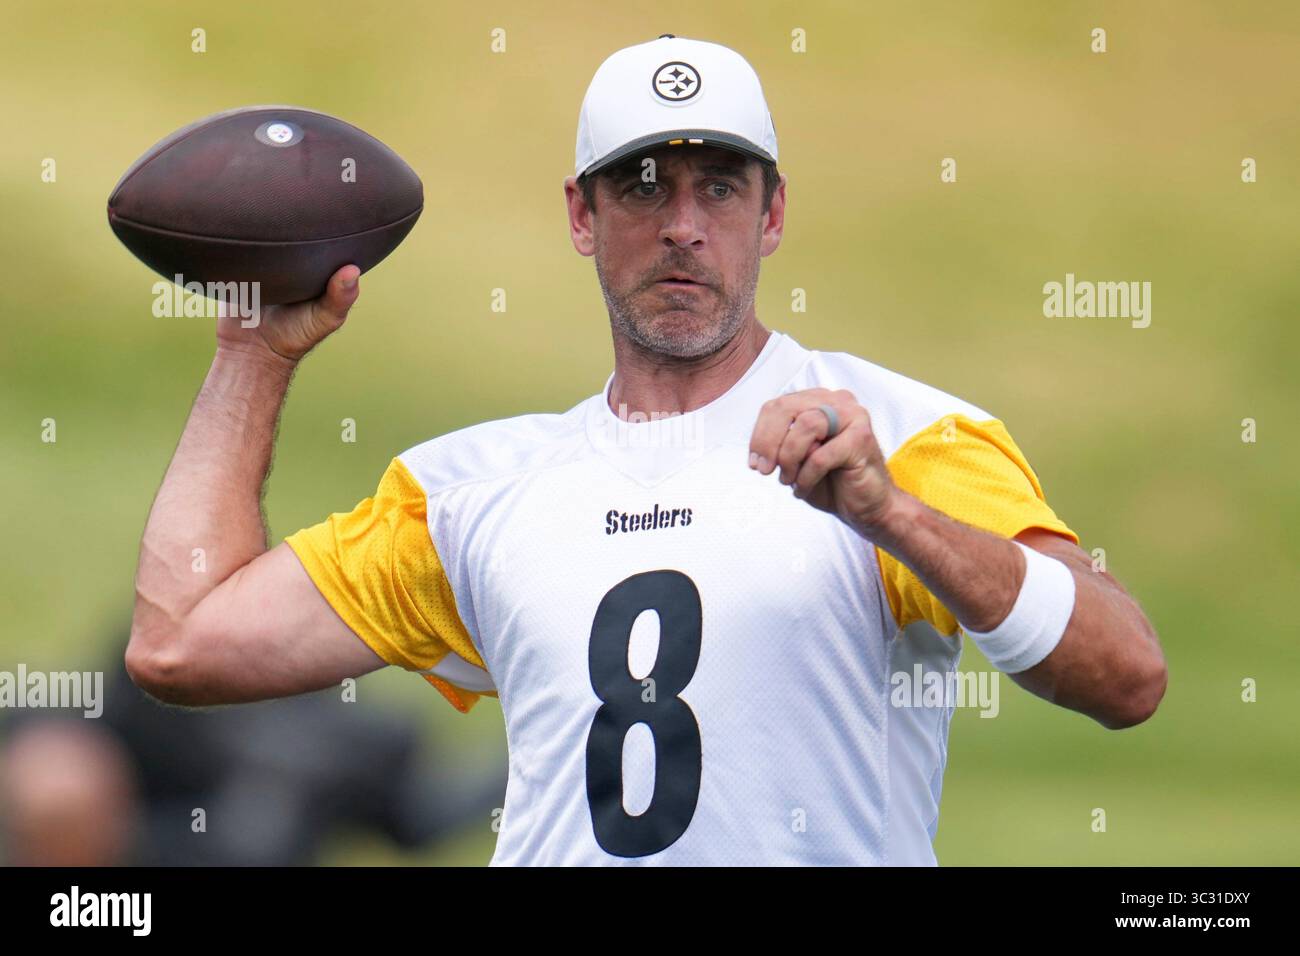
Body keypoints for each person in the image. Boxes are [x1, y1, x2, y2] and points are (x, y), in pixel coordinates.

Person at [125, 35, 1167, 865]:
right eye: (639, 187)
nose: (681, 225)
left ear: (773, 214)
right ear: (581, 215)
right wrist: (253, 349)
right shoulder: (472, 493)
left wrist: (890, 514)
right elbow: (180, 642)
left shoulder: (904, 440)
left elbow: (1126, 674)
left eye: (718, 186)